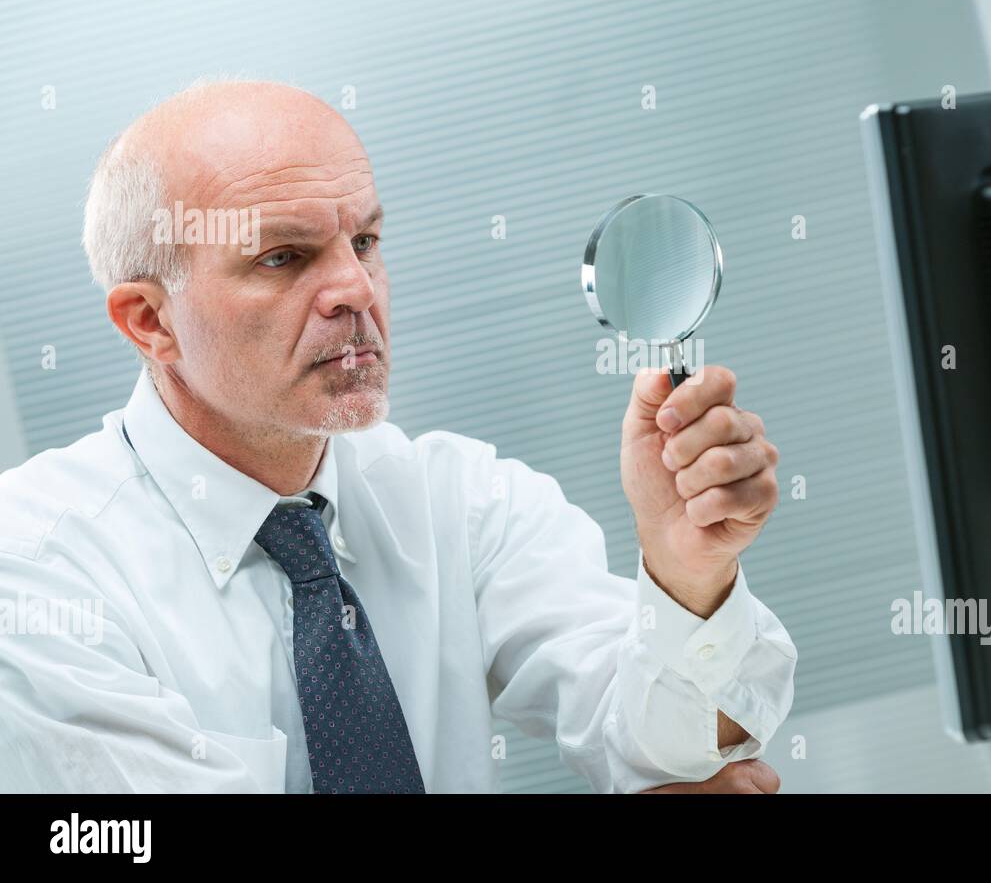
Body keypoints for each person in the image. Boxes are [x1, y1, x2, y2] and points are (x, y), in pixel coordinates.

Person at [0, 79, 797, 793]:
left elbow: (685, 751)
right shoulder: (35, 572)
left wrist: (688, 574)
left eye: (366, 242)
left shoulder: (462, 502)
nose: (353, 287)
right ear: (151, 321)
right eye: (283, 257)